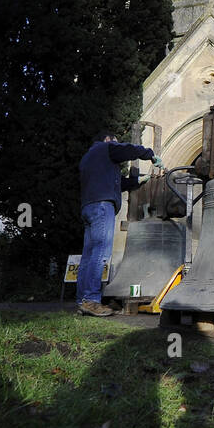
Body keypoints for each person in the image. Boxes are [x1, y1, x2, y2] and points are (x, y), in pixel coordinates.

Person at [77, 131, 162, 316]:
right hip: (102, 206)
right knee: (101, 251)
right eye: (115, 142)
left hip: (88, 207)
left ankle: (82, 300)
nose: (117, 145)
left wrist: (136, 181)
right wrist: (150, 154)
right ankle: (91, 300)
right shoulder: (106, 147)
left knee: (88, 255)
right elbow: (128, 149)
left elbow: (112, 183)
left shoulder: (87, 158)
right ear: (108, 139)